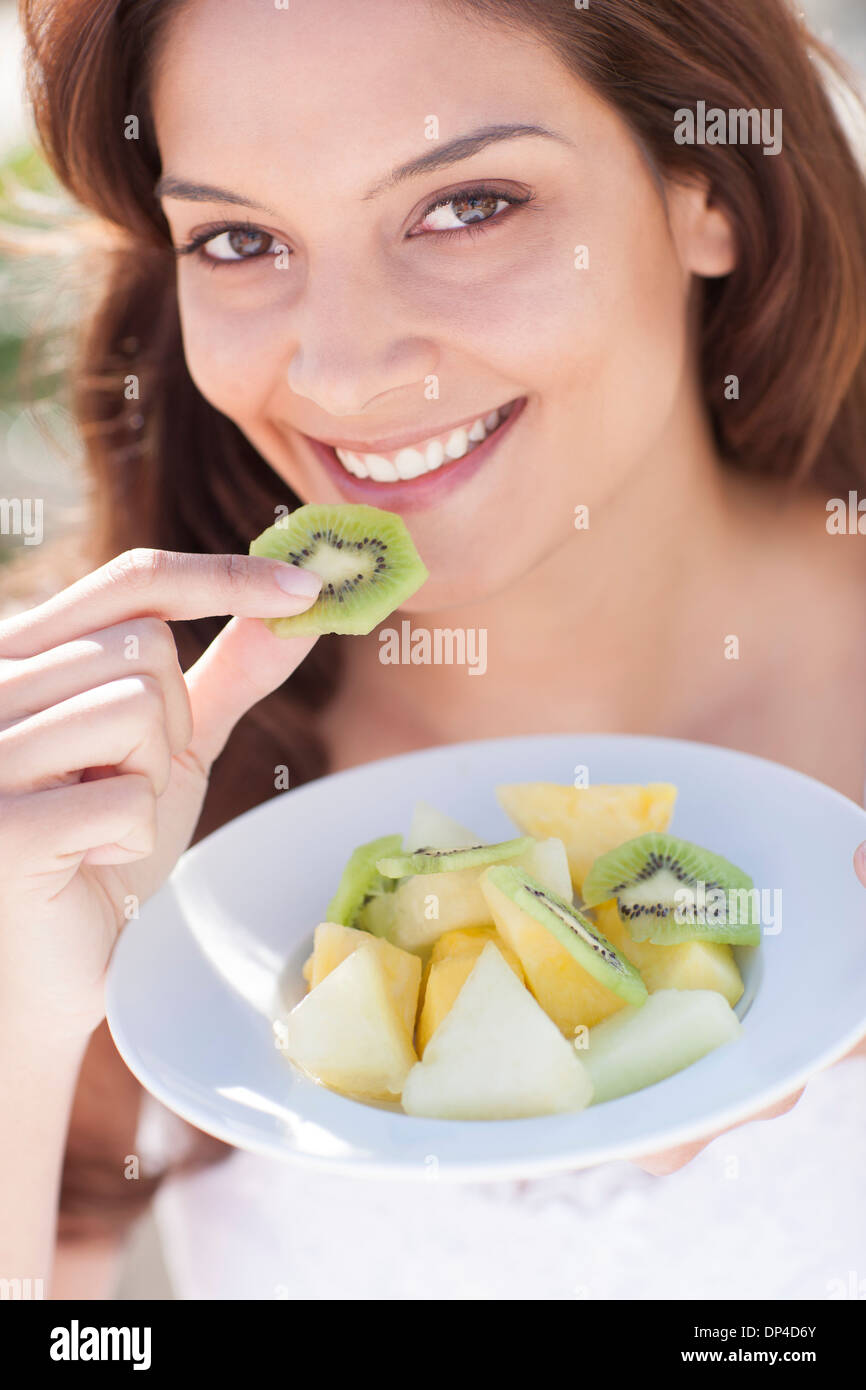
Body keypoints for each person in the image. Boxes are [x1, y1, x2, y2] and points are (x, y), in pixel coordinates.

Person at [2, 0, 865, 1300]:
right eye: (239, 239)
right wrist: (23, 1016)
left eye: (466, 206)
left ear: (709, 189)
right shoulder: (149, 778)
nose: (342, 374)